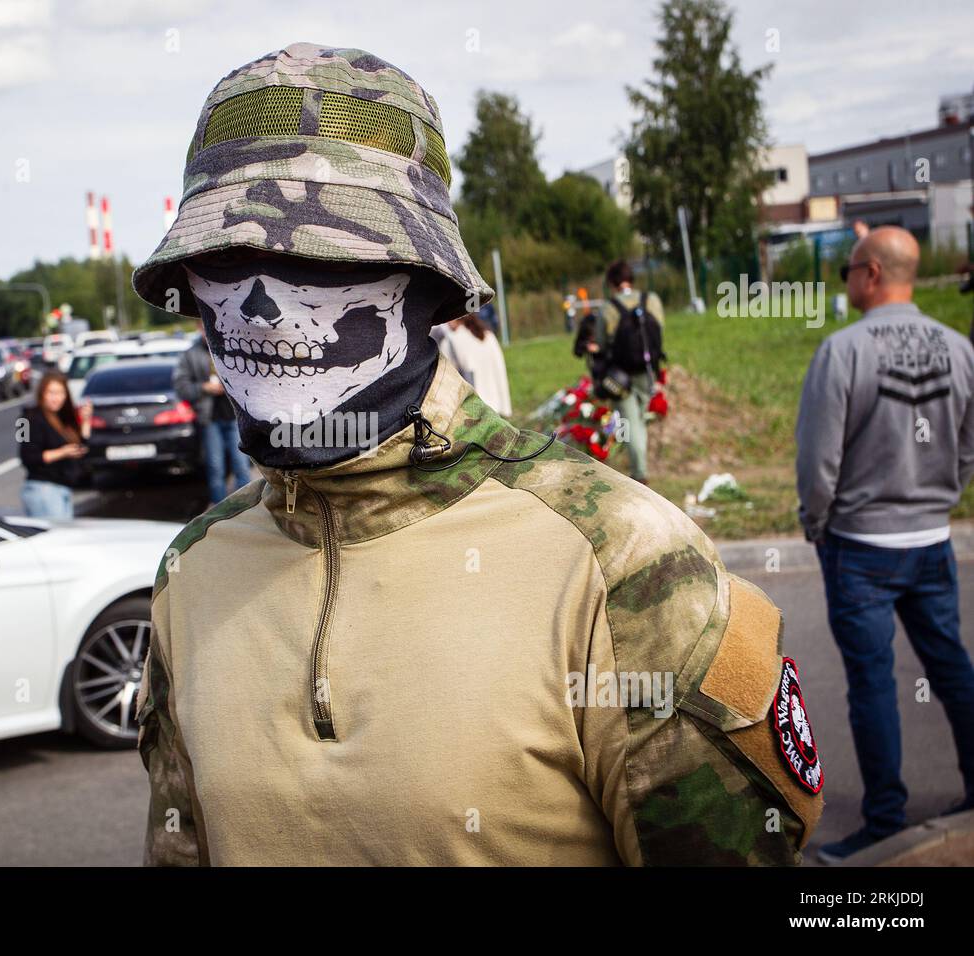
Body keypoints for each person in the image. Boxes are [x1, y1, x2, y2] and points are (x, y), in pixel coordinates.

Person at [130, 42, 822, 867]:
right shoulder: (193, 571)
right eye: (224, 258)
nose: (260, 304)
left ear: (426, 286)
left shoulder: (623, 561)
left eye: (320, 258)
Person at [796, 225, 974, 863]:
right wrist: (940, 495)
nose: (845, 281)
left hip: (861, 545)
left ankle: (885, 821)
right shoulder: (960, 348)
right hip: (930, 541)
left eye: (848, 270)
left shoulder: (842, 352)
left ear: (871, 273)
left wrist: (816, 523)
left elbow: (819, 460)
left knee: (872, 682)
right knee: (950, 666)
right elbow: (969, 444)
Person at [587, 260, 665, 484]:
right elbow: (659, 330)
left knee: (631, 423)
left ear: (612, 283)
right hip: (649, 369)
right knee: (640, 418)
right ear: (631, 279)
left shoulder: (609, 309)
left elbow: (601, 343)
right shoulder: (652, 300)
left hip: (621, 376)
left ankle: (640, 473)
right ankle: (641, 465)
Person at [174, 322, 252, 504]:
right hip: (209, 419)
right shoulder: (190, 355)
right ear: (198, 327)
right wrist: (204, 388)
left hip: (235, 417)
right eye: (202, 325)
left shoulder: (232, 346)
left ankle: (246, 508)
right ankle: (219, 510)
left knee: (241, 465)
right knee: (215, 467)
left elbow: (249, 378)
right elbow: (181, 387)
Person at [17, 370, 89, 520]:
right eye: (51, 393)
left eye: (60, 393)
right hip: (42, 489)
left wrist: (86, 421)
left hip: (64, 487)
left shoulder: (62, 417)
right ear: (42, 393)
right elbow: (26, 457)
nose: (56, 398)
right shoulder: (25, 418)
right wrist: (62, 452)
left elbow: (82, 446)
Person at [435, 312, 512, 415]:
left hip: (473, 409)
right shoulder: (488, 336)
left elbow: (447, 378)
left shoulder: (451, 341)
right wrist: (505, 406)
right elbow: (499, 370)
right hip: (494, 405)